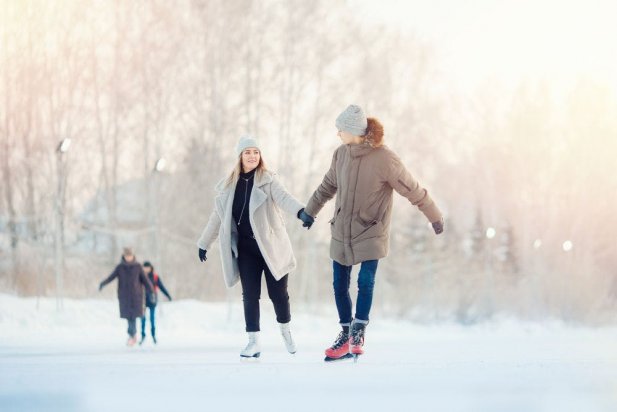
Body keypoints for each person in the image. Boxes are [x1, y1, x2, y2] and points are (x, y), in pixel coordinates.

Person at [300, 104, 444, 361]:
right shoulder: (340, 155)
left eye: (340, 130)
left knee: (365, 281)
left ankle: (359, 329)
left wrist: (434, 215)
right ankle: (345, 333)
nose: (337, 134)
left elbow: (411, 188)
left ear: (353, 131)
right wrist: (310, 211)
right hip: (342, 229)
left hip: (371, 229)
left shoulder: (385, 159)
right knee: (338, 284)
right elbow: (327, 185)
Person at [197, 136, 311, 359]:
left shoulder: (268, 181)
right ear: (240, 156)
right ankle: (253, 342)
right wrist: (204, 243)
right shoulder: (228, 187)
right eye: (247, 152)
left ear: (260, 156)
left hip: (271, 246)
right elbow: (216, 218)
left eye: (256, 152)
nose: (252, 156)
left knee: (278, 294)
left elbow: (285, 198)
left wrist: (301, 212)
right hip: (246, 249)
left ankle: (286, 331)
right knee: (249, 295)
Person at [99, 247, 154, 347]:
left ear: (133, 256)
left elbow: (145, 280)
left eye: (130, 255)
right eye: (126, 256)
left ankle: (132, 335)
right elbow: (111, 277)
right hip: (124, 296)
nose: (128, 257)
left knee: (133, 317)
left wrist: (151, 291)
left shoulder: (138, 266)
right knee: (129, 317)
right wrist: (103, 283)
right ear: (124, 256)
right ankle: (132, 335)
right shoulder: (120, 267)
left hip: (136, 296)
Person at [139, 261, 172, 345]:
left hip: (152, 300)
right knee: (142, 319)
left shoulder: (155, 277)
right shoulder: (140, 276)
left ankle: (153, 336)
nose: (146, 269)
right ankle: (143, 335)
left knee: (152, 319)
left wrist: (168, 295)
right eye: (144, 268)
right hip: (142, 300)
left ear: (150, 268)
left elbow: (161, 287)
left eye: (147, 267)